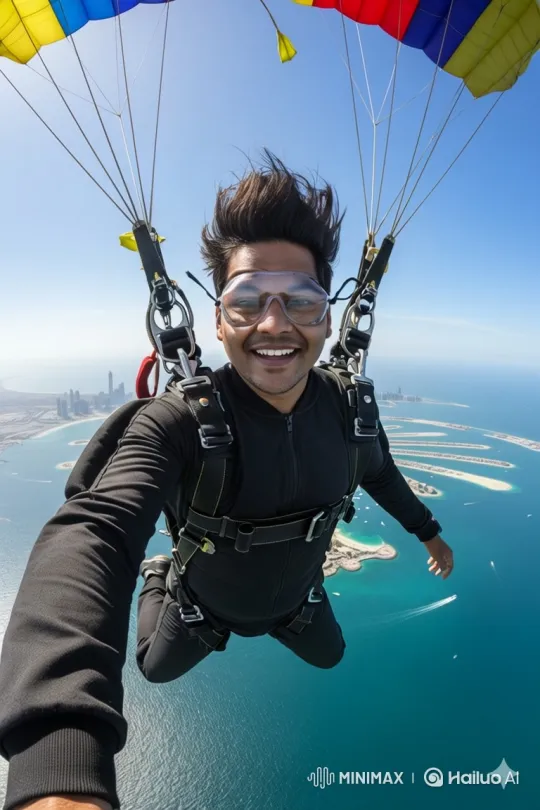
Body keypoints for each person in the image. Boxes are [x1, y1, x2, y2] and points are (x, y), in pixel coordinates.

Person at [0, 153, 453, 810]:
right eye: (247, 300)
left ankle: (256, 604)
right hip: (201, 604)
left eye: (301, 300)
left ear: (329, 318)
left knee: (332, 656)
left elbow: (379, 471)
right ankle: (164, 577)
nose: (274, 324)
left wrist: (427, 530)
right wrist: (57, 764)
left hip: (295, 601)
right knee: (152, 667)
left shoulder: (351, 413)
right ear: (217, 321)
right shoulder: (180, 422)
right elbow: (92, 533)